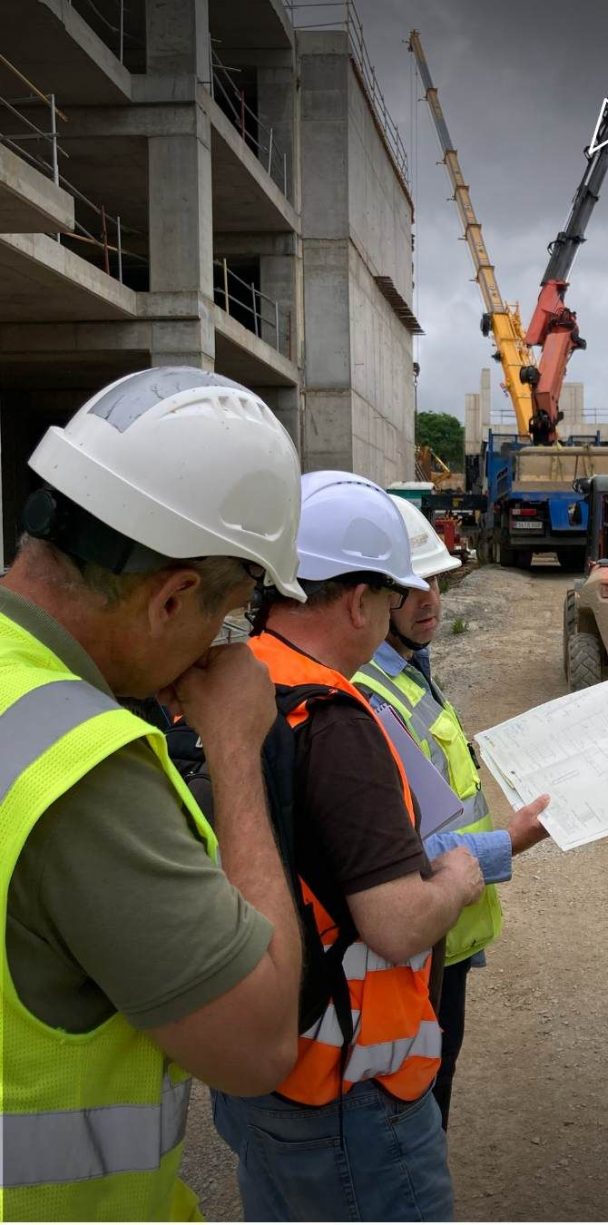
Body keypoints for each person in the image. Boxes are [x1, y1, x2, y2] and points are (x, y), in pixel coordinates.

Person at [0, 367, 306, 1221]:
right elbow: (258, 1044)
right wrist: (237, 753)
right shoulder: (78, 768)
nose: (225, 642)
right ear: (173, 596)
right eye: (231, 613)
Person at [211, 471, 484, 1222]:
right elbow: (394, 921)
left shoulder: (238, 679)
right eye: (393, 597)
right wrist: (457, 880)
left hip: (265, 1062)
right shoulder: (335, 718)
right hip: (349, 1088)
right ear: (361, 600)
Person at [354, 496, 550, 1128]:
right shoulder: (361, 695)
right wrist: (509, 841)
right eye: (412, 587)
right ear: (372, 596)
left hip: (444, 939)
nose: (430, 598)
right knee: (412, 1106)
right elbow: (389, 857)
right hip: (408, 945)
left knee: (435, 1089)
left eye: (436, 580)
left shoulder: (410, 669)